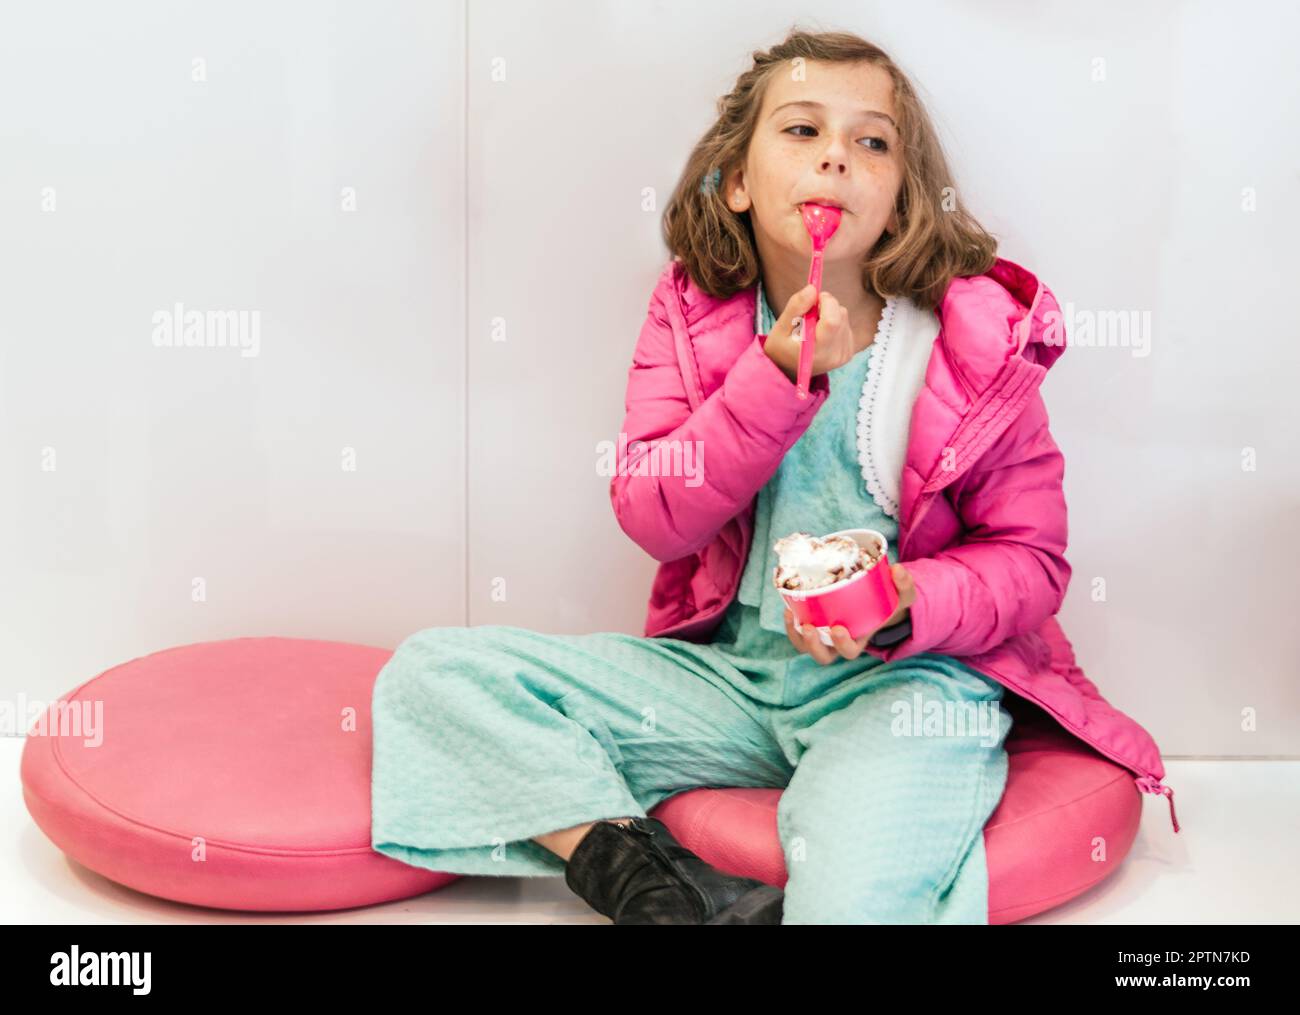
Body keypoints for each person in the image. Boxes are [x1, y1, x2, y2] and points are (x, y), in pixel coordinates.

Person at [368, 27, 1173, 925]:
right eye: (802, 131)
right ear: (740, 182)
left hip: (907, 686)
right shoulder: (692, 311)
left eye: (872, 142)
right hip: (735, 681)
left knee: (853, 877)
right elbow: (653, 514)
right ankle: (660, 886)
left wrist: (907, 598)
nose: (836, 156)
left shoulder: (969, 338)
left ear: (901, 198)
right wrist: (774, 377)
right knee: (435, 674)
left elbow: (1033, 560)